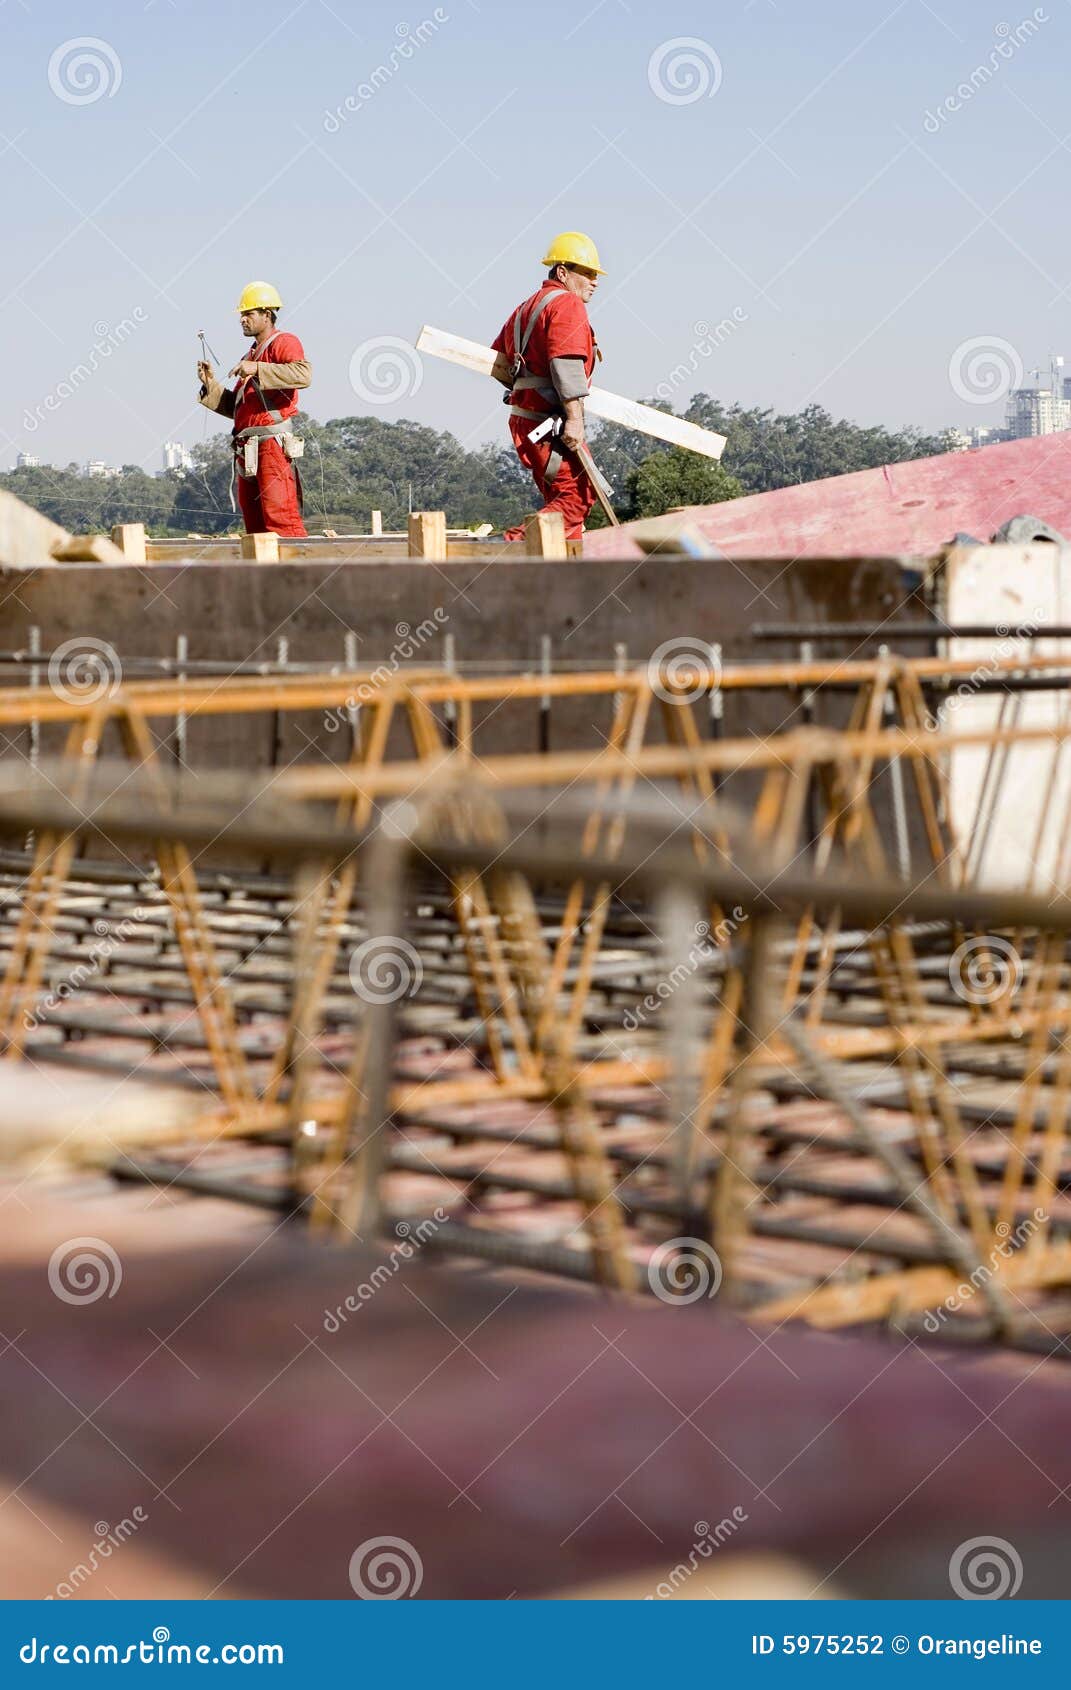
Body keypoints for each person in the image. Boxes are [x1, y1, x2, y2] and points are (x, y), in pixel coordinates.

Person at [492, 232, 605, 542]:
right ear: (562, 272)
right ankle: (504, 551)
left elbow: (499, 364)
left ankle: (558, 580)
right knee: (577, 497)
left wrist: (529, 391)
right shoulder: (567, 304)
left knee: (562, 507)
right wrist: (574, 418)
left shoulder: (527, 307)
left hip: (526, 421)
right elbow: (566, 364)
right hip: (547, 425)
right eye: (588, 273)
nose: (595, 281)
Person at [197, 281, 311, 539]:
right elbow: (240, 410)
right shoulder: (251, 354)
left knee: (280, 519)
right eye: (242, 315)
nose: (243, 320)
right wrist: (210, 385)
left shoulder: (284, 342)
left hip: (271, 444)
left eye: (248, 314)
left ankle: (303, 576)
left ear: (267, 315)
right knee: (255, 525)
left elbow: (303, 374)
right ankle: (265, 577)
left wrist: (257, 369)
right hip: (247, 448)